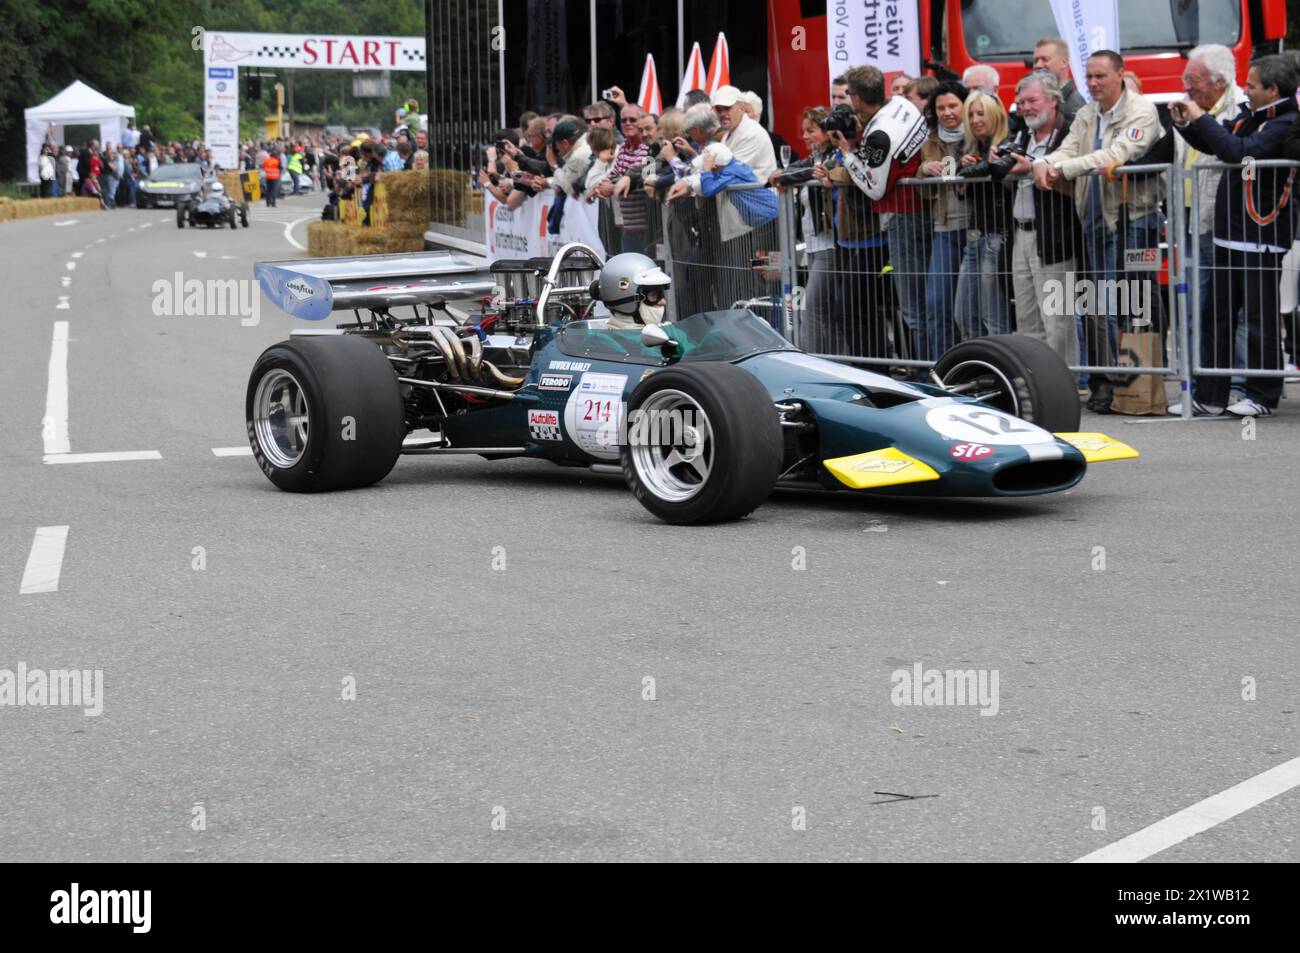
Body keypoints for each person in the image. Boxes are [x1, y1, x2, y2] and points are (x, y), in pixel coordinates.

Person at [1036, 50, 1164, 413]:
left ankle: (1139, 381)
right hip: (1094, 217)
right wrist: (1043, 163)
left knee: (1134, 301)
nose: (1092, 84)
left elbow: (1118, 154)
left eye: (1100, 77)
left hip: (1133, 218)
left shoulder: (1141, 109)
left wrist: (1062, 169)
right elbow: (1067, 148)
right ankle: (1107, 383)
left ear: (1120, 75)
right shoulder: (1088, 113)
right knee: (1100, 305)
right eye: (1088, 77)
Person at [1174, 54, 1298, 417]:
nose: (1245, 88)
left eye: (1253, 85)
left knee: (1260, 320)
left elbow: (1239, 152)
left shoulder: (1287, 121)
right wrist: (1188, 126)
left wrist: (1202, 118)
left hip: (1262, 233)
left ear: (1273, 90)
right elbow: (1220, 142)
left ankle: (1262, 395)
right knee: (1218, 316)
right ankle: (1211, 396)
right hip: (1231, 232)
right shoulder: (1253, 115)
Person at [833, 64, 931, 361]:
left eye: (848, 95)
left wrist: (849, 156)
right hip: (919, 212)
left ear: (857, 98)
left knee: (913, 306)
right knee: (920, 303)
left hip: (904, 216)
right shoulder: (901, 104)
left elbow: (875, 188)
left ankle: (923, 371)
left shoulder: (879, 133)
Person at [1003, 71, 1082, 365]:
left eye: (1032, 100)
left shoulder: (1068, 133)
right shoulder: (1020, 135)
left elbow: (1077, 182)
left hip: (1055, 235)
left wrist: (1035, 169)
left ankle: (1065, 382)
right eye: (1021, 102)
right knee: (1026, 315)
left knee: (1057, 317)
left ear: (1053, 100)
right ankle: (1036, 378)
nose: (1025, 108)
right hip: (1020, 233)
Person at [917, 81, 970, 360]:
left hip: (976, 229)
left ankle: (978, 366)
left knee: (971, 308)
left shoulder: (977, 132)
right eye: (941, 107)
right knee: (937, 303)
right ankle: (943, 367)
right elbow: (922, 193)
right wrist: (924, 169)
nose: (947, 112)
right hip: (943, 228)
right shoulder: (931, 140)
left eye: (953, 106)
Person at [953, 92, 1013, 339]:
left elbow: (999, 178)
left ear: (995, 114)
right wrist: (962, 171)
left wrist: (975, 170)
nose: (976, 119)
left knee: (993, 317)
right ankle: (978, 369)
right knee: (963, 314)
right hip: (975, 237)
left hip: (997, 238)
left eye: (981, 113)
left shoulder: (1007, 144)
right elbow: (962, 193)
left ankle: (1001, 372)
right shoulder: (970, 149)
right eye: (970, 114)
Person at [597, 253, 672, 329]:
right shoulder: (608, 339)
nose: (663, 302)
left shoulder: (663, 332)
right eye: (653, 295)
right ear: (627, 301)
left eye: (662, 294)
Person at [1033, 38, 1085, 119]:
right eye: (1036, 60)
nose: (1038, 65)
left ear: (1064, 62)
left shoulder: (1075, 105)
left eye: (1045, 59)